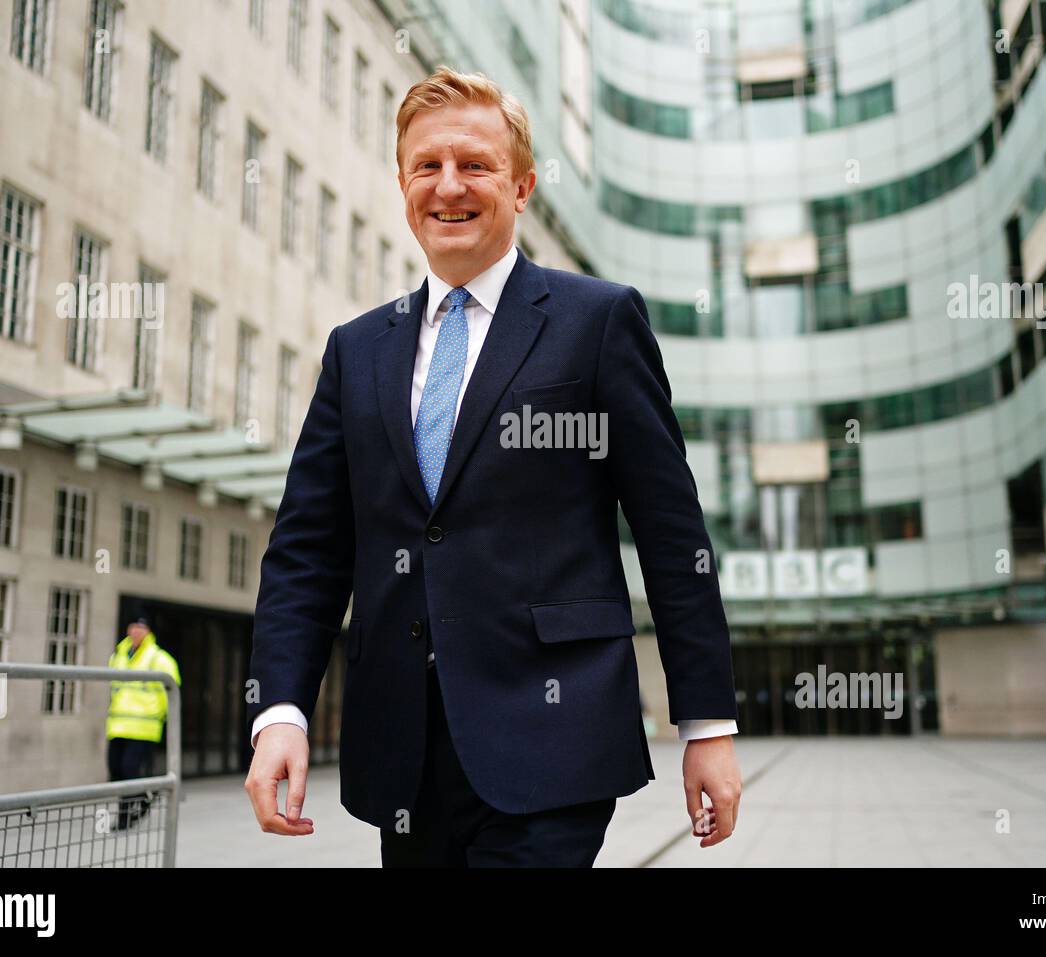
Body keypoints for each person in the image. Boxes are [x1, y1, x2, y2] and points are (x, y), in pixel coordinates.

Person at [244, 66, 742, 867]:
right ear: (403, 185)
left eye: (474, 164)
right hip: (402, 751)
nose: (449, 186)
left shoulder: (598, 322)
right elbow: (308, 551)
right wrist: (280, 713)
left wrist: (707, 725)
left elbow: (670, 531)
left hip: (555, 737)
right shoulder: (356, 351)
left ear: (521, 186)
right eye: (427, 166)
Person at [106, 617, 181, 830]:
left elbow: (172, 690)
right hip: (118, 724)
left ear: (148, 631)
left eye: (141, 627)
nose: (136, 631)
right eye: (133, 626)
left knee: (130, 770)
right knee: (115, 771)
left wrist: (160, 715)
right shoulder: (118, 655)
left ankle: (124, 818)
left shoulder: (158, 658)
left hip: (144, 726)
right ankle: (146, 794)